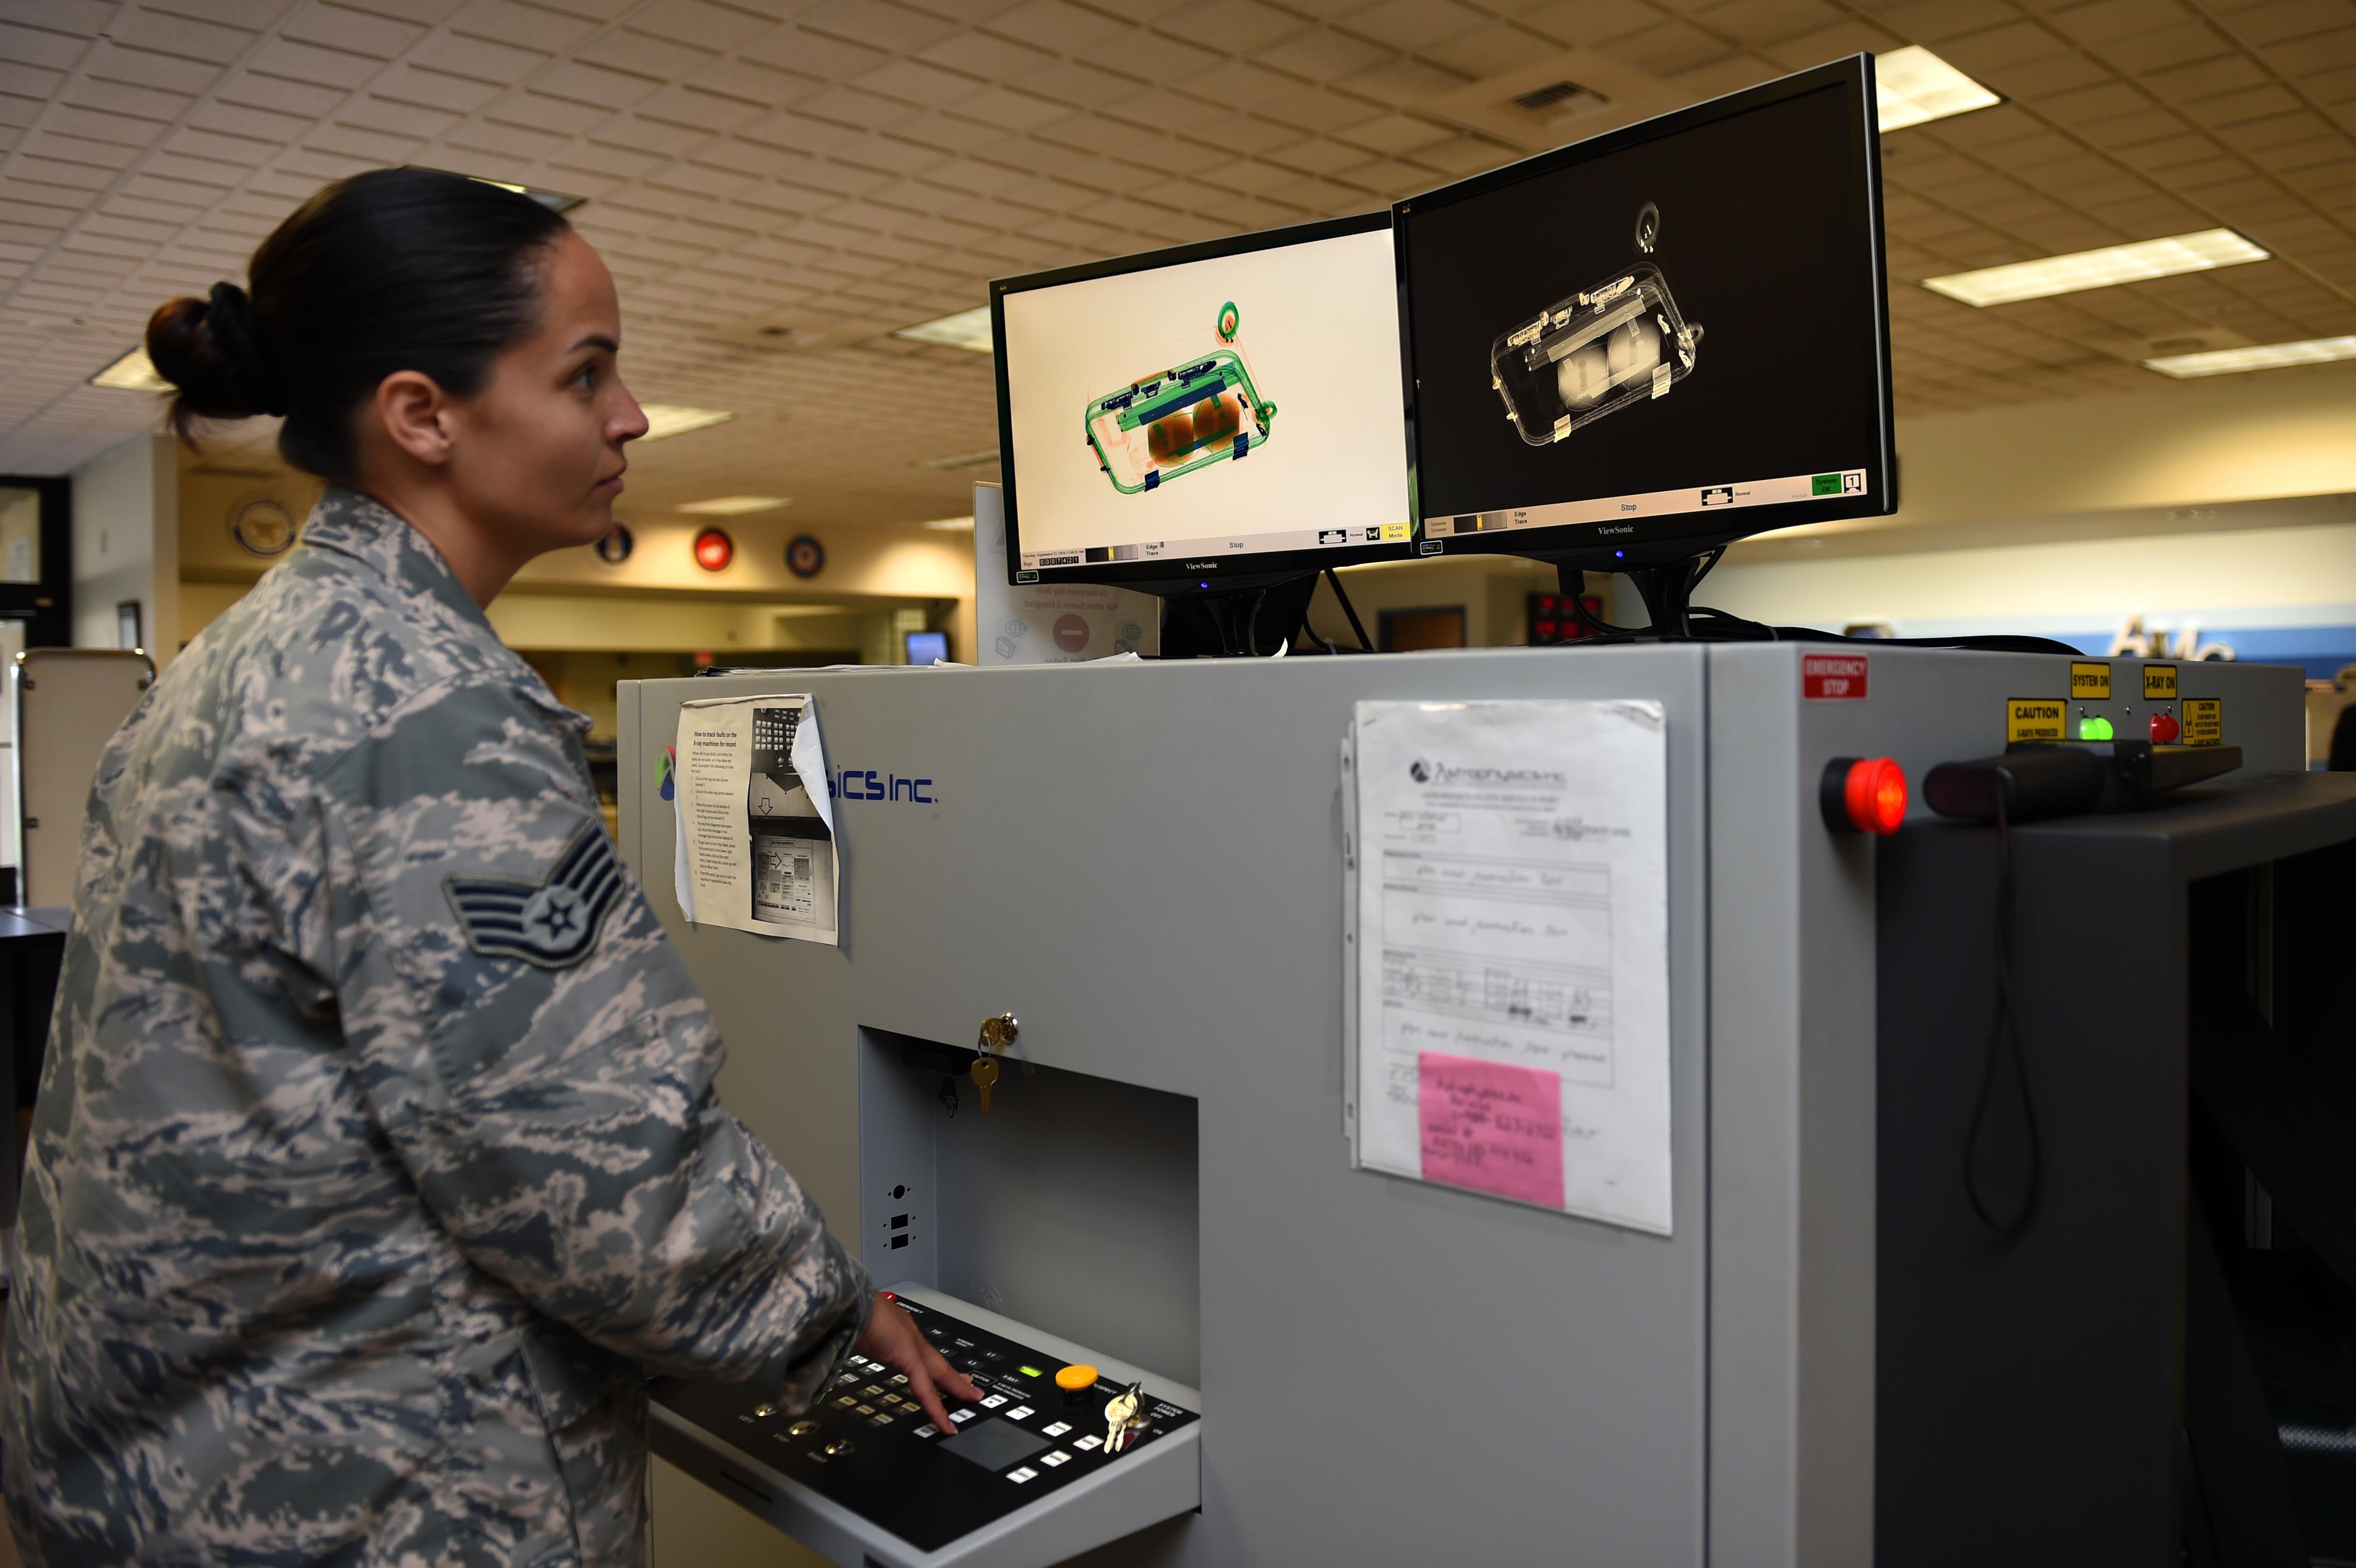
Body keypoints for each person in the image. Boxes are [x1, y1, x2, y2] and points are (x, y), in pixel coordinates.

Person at [1, 167, 977, 1565]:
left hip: (160, 1462)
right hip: (360, 1490)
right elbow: (587, 1168)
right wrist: (830, 1307)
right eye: (587, 375)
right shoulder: (420, 708)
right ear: (422, 415)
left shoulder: (240, 661)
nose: (629, 413)